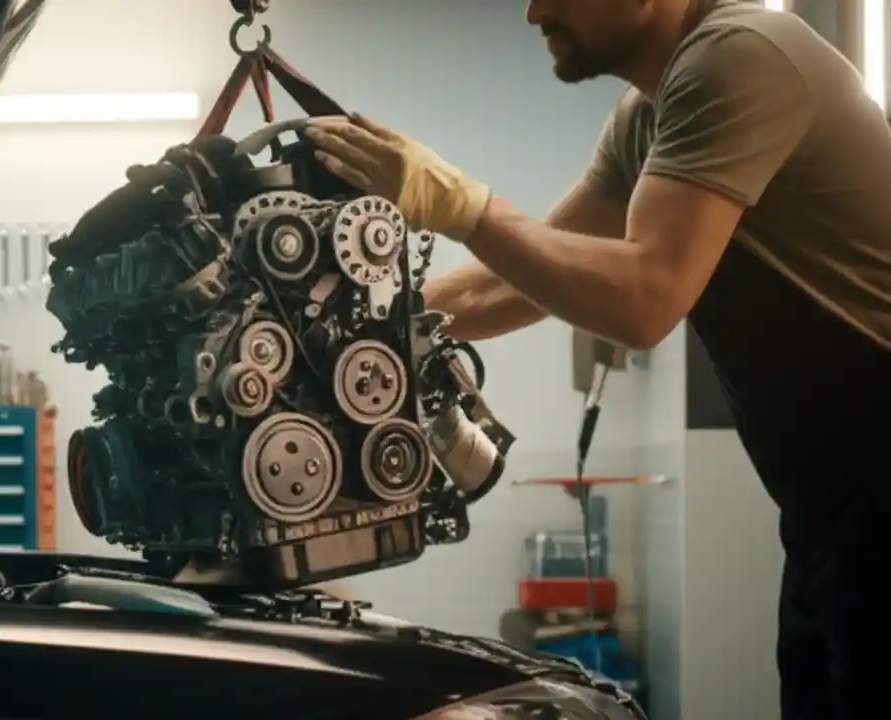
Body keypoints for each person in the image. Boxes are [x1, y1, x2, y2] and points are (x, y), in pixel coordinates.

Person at [302, 1, 889, 718]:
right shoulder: (650, 112)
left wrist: (460, 204)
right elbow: (509, 283)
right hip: (829, 512)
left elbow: (643, 299)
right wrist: (340, 331)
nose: (532, 11)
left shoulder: (740, 54)